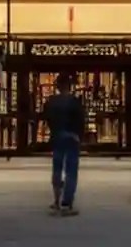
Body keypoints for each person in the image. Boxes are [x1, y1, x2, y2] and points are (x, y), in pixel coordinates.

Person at [41, 73, 84, 216]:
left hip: (57, 136)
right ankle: (67, 202)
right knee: (71, 171)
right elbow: (81, 120)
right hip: (72, 137)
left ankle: (56, 200)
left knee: (57, 168)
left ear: (57, 86)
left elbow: (46, 117)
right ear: (69, 86)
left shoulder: (51, 101)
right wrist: (79, 135)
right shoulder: (75, 102)